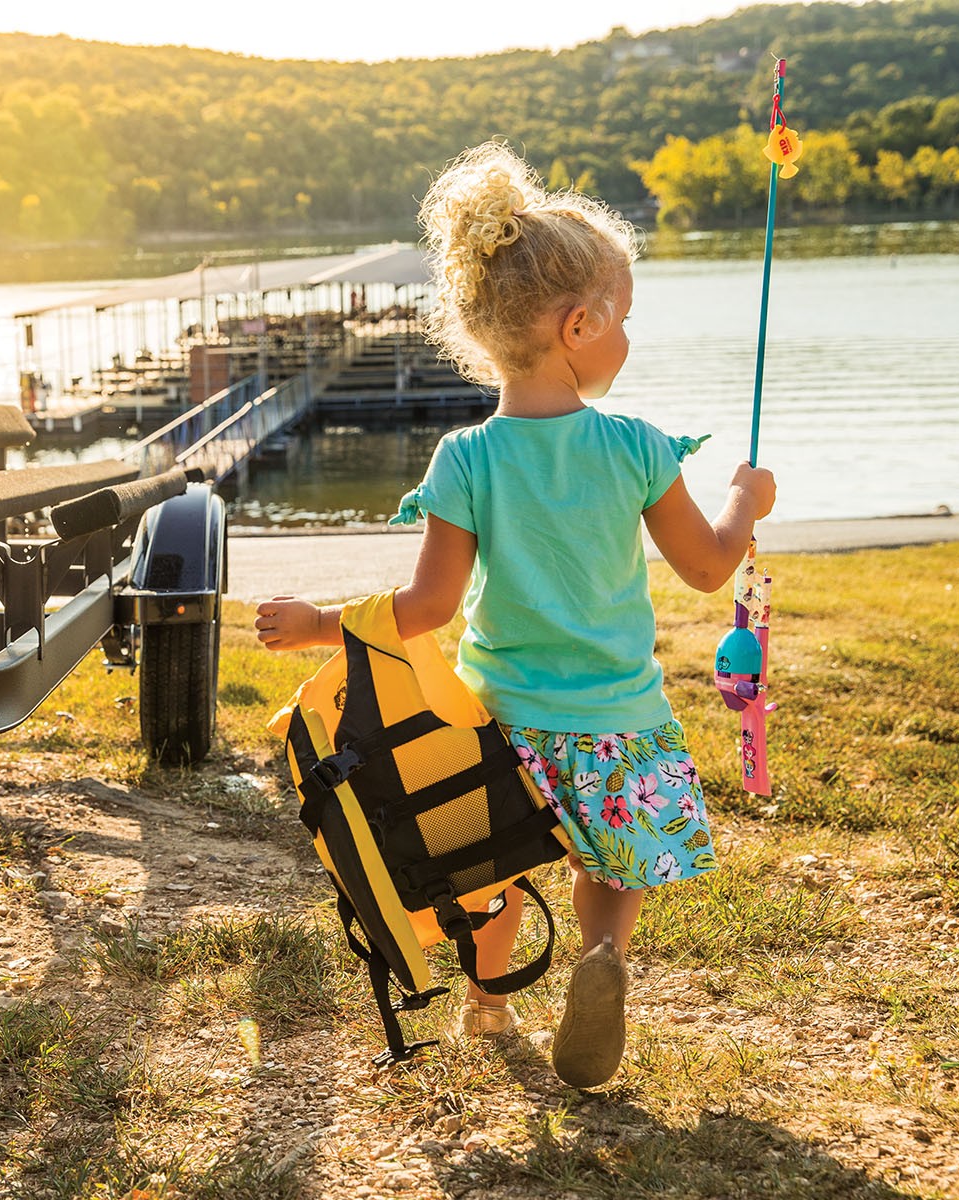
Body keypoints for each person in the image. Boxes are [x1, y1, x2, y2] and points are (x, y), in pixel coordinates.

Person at [254, 142, 776, 1089]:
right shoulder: (636, 447)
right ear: (580, 325)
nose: (628, 339)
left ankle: (489, 1003)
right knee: (609, 863)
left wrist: (318, 622)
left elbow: (429, 607)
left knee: (491, 866)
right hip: (620, 719)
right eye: (625, 320)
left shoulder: (465, 458)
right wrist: (746, 503)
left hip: (502, 720)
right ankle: (603, 955)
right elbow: (706, 568)